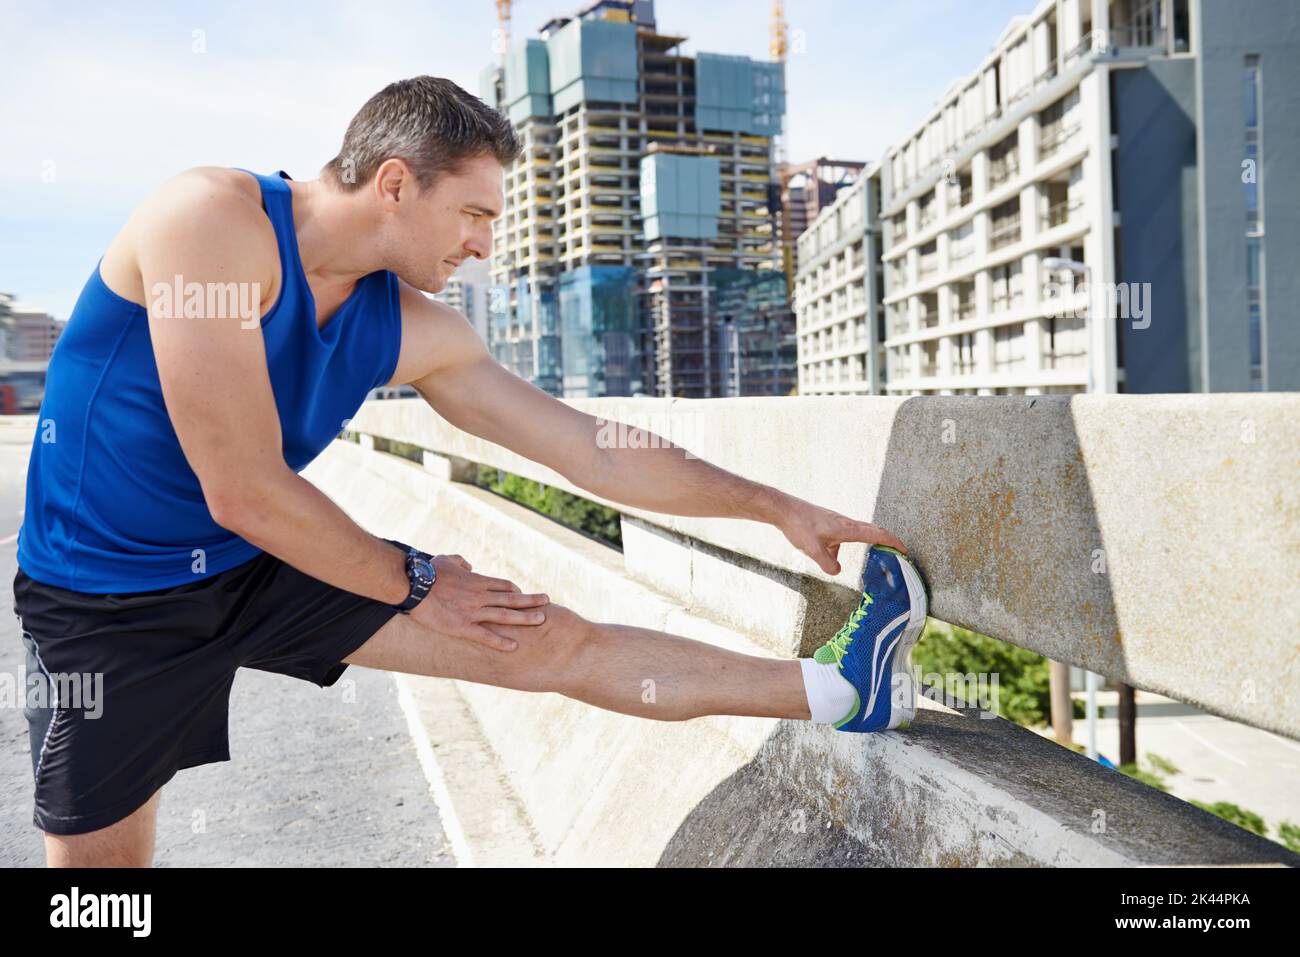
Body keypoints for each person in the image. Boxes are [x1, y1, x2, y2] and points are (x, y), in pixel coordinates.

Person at [12, 75, 928, 868]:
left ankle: (844, 688)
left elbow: (587, 446)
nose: (485, 245)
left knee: (543, 637)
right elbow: (243, 484)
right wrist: (417, 583)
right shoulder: (207, 219)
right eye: (476, 214)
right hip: (107, 599)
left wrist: (767, 503)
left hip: (257, 561)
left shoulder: (416, 327)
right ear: (397, 184)